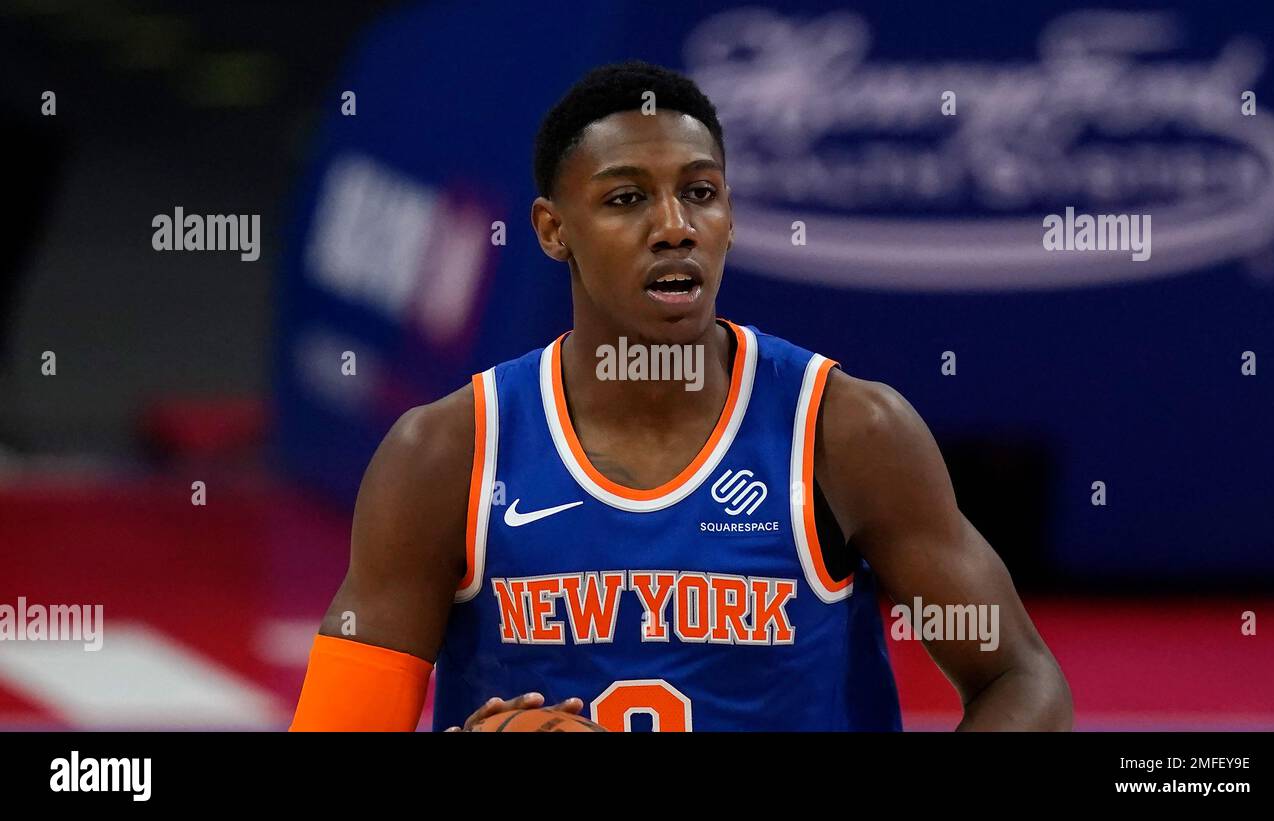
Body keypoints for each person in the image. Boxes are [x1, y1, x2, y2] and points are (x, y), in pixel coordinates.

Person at [290, 60, 1072, 732]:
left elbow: (1021, 678)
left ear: (729, 218)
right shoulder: (447, 453)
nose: (674, 226)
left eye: (700, 193)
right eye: (626, 198)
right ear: (552, 230)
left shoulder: (846, 430)